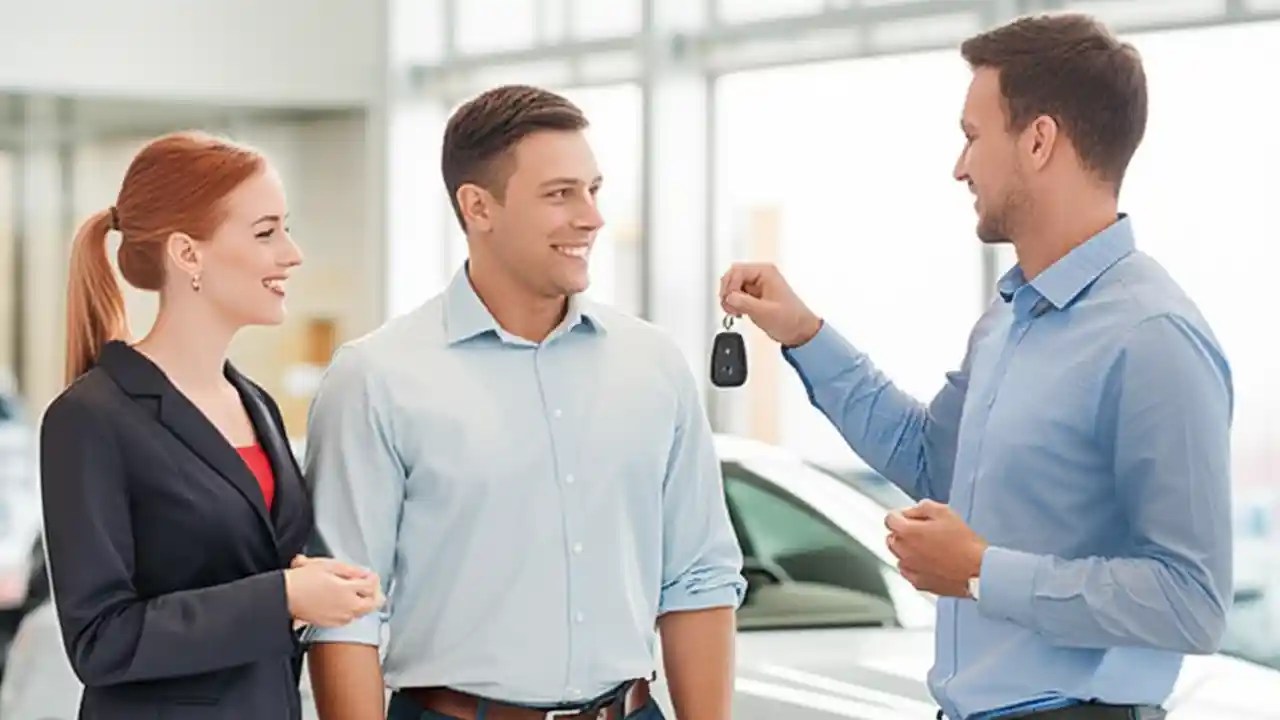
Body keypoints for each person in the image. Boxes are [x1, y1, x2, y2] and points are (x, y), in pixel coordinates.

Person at [720, 13, 1231, 720]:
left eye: (971, 136)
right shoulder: (1008, 319)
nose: (959, 165)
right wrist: (803, 333)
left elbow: (1192, 602)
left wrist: (982, 572)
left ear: (1040, 139)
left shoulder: (1154, 337)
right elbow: (931, 459)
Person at [302, 84, 746, 720]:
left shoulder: (653, 364)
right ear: (478, 207)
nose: (591, 216)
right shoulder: (376, 377)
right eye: (560, 194)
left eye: (593, 189)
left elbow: (699, 577)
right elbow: (344, 614)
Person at [38, 131, 383, 720]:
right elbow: (101, 640)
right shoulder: (89, 418)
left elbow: (241, 565)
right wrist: (283, 597)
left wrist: (306, 585)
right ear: (187, 253)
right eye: (266, 232)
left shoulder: (256, 404)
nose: (292, 253)